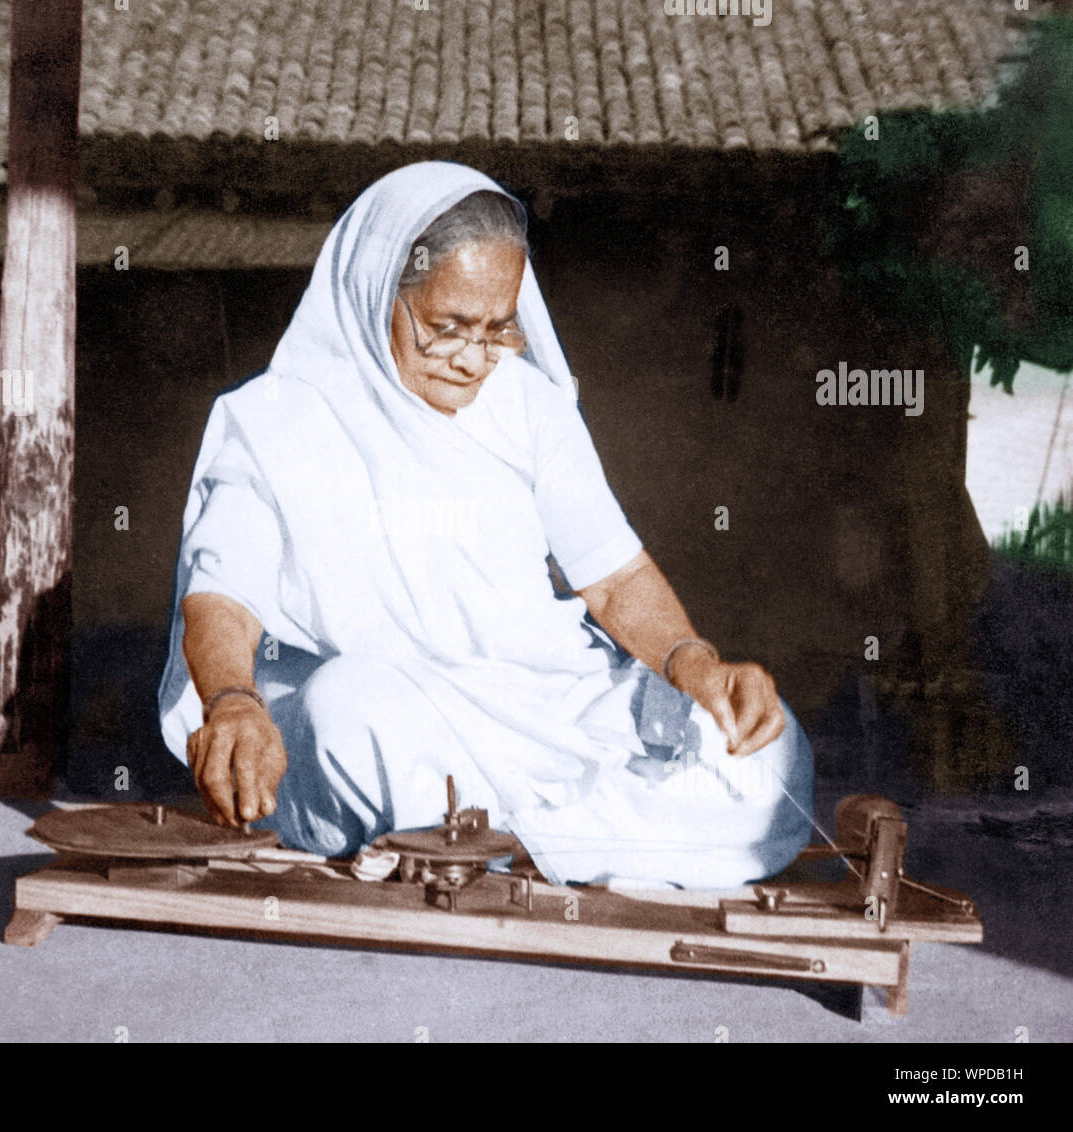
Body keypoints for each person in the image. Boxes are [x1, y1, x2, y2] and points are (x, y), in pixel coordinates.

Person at [159, 161, 813, 888]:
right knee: (345, 709)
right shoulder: (279, 421)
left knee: (766, 753)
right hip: (400, 713)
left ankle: (510, 842)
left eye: (498, 329)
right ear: (381, 288)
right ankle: (564, 841)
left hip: (544, 705)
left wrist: (699, 666)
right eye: (448, 328)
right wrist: (233, 700)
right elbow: (224, 595)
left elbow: (616, 577)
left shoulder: (529, 407)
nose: (474, 359)